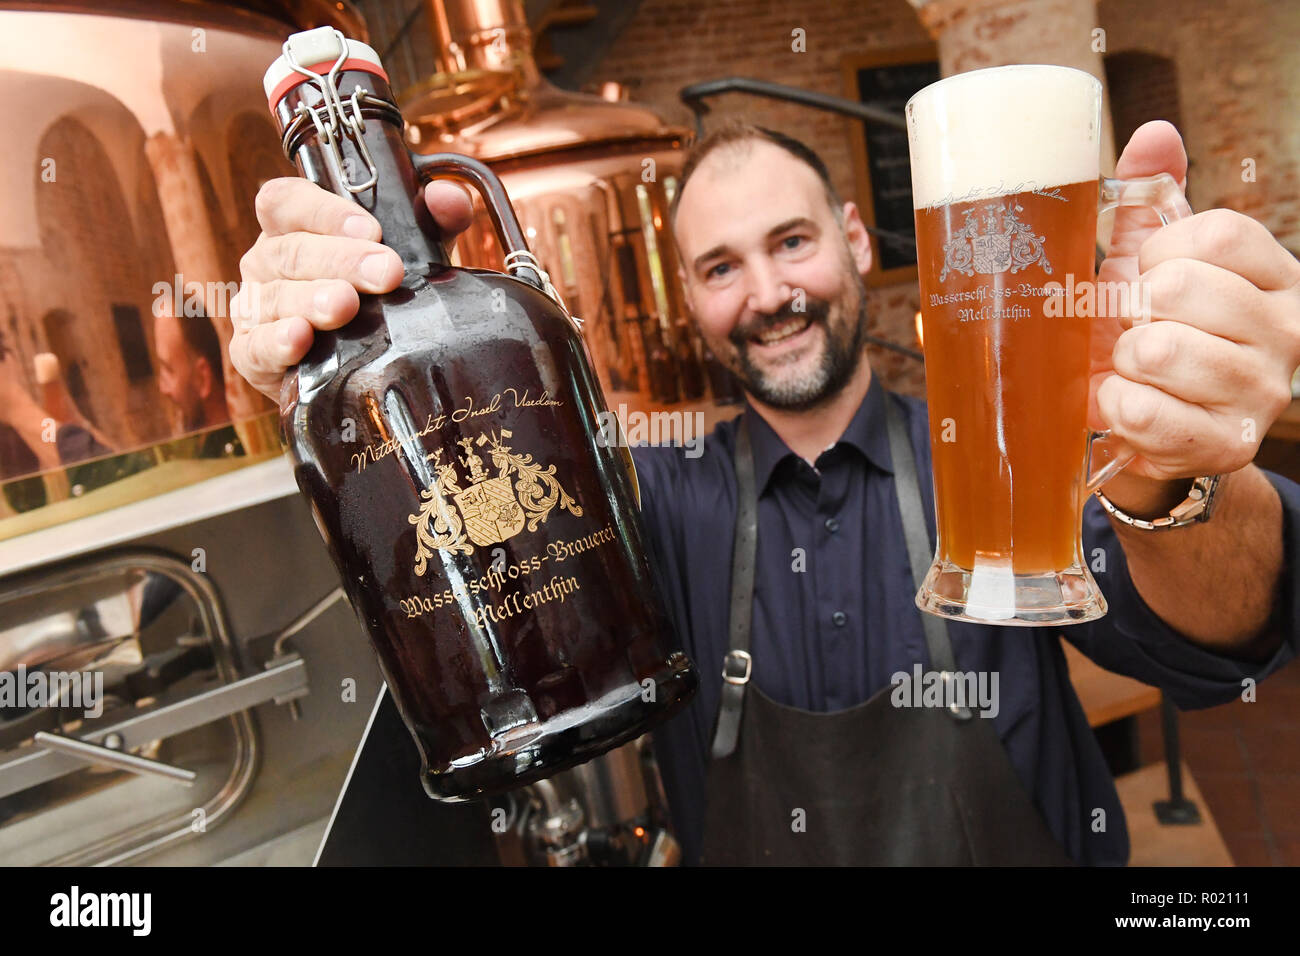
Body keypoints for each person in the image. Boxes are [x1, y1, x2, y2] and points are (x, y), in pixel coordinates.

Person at [229, 118, 1300, 866]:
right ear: (687, 299)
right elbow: (451, 551)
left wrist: (1175, 470)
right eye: (721, 266)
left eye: (791, 243)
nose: (770, 294)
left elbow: (1220, 636)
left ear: (854, 236)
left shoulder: (999, 456)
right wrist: (359, 387)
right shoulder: (639, 500)